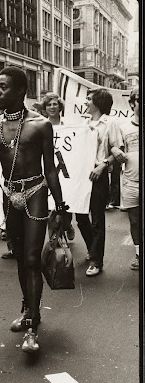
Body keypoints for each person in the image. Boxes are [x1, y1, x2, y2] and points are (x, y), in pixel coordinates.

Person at [0, 66, 69, 353]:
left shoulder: (41, 125)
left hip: (35, 192)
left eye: (3, 87)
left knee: (31, 258)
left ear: (20, 91)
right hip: (9, 193)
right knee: (19, 257)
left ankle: (33, 326)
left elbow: (50, 170)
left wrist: (62, 207)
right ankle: (28, 309)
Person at [74, 88, 123, 276]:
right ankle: (91, 249)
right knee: (80, 216)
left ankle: (96, 261)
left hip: (98, 176)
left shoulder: (110, 123)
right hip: (82, 176)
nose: (85, 102)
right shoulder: (84, 124)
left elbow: (117, 150)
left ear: (98, 102)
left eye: (88, 99)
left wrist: (102, 165)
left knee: (97, 219)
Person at [110, 87, 140, 270]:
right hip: (131, 182)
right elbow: (115, 147)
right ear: (132, 104)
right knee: (135, 221)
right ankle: (139, 253)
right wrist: (115, 150)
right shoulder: (123, 127)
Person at [42, 92, 75, 241]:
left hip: (66, 170)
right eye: (49, 104)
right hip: (49, 170)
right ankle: (55, 243)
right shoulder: (42, 125)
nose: (52, 107)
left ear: (60, 106)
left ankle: (68, 225)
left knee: (65, 205)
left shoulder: (69, 124)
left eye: (55, 104)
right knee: (50, 208)